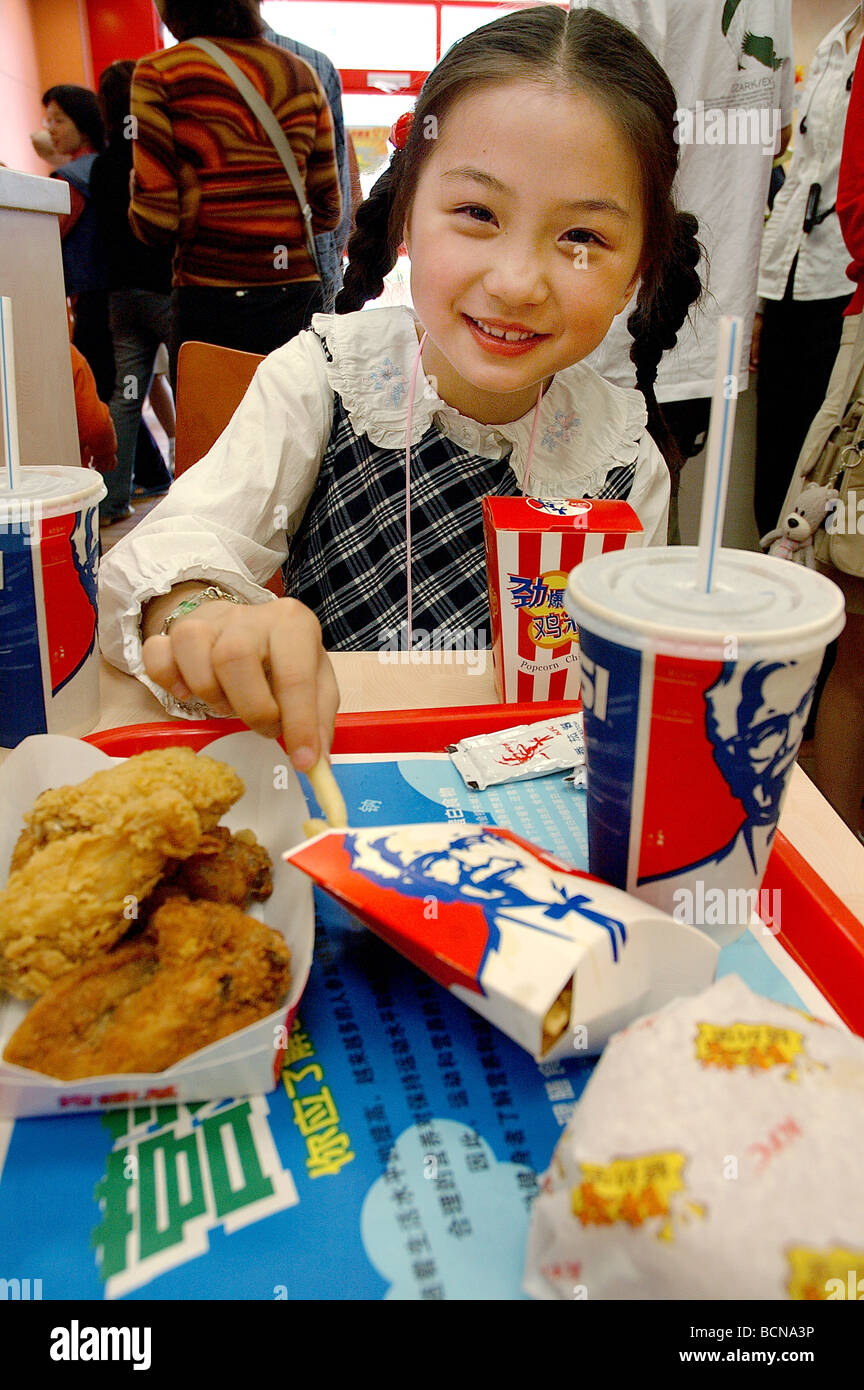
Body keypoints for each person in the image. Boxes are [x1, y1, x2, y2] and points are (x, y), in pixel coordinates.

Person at [100, 6, 703, 773]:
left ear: (638, 271)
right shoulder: (328, 376)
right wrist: (201, 611)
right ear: (407, 216)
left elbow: (617, 700)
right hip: (332, 780)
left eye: (582, 237)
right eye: (477, 212)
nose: (516, 282)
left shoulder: (623, 459)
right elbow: (176, 545)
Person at [580, 1, 794, 536]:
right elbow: (779, 133)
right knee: (658, 512)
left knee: (596, 533)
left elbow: (593, 116)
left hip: (620, 310)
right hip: (714, 300)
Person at [128, 0, 342, 379]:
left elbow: (155, 222)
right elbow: (326, 212)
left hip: (210, 305)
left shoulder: (160, 73)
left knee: (215, 436)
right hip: (293, 300)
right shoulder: (301, 75)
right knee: (298, 433)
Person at [752, 4, 864, 540]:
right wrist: (763, 296)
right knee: (774, 450)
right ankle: (771, 573)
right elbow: (800, 173)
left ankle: (812, 591)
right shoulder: (835, 40)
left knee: (824, 454)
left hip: (845, 279)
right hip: (793, 271)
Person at [90, 61, 174, 526]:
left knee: (126, 398)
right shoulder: (158, 155)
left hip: (121, 295)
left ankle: (113, 501)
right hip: (167, 289)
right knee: (189, 388)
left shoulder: (102, 165)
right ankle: (195, 502)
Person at [258, 6, 353, 312]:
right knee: (307, 356)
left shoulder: (173, 71)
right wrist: (330, 257)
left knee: (212, 359)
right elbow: (335, 193)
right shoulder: (313, 64)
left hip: (212, 282)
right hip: (305, 265)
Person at [43, 84, 114, 403]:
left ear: (82, 124)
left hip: (91, 299)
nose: (51, 131)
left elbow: (46, 238)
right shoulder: (107, 164)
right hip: (115, 290)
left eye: (58, 120)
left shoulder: (69, 179)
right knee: (122, 399)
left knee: (96, 398)